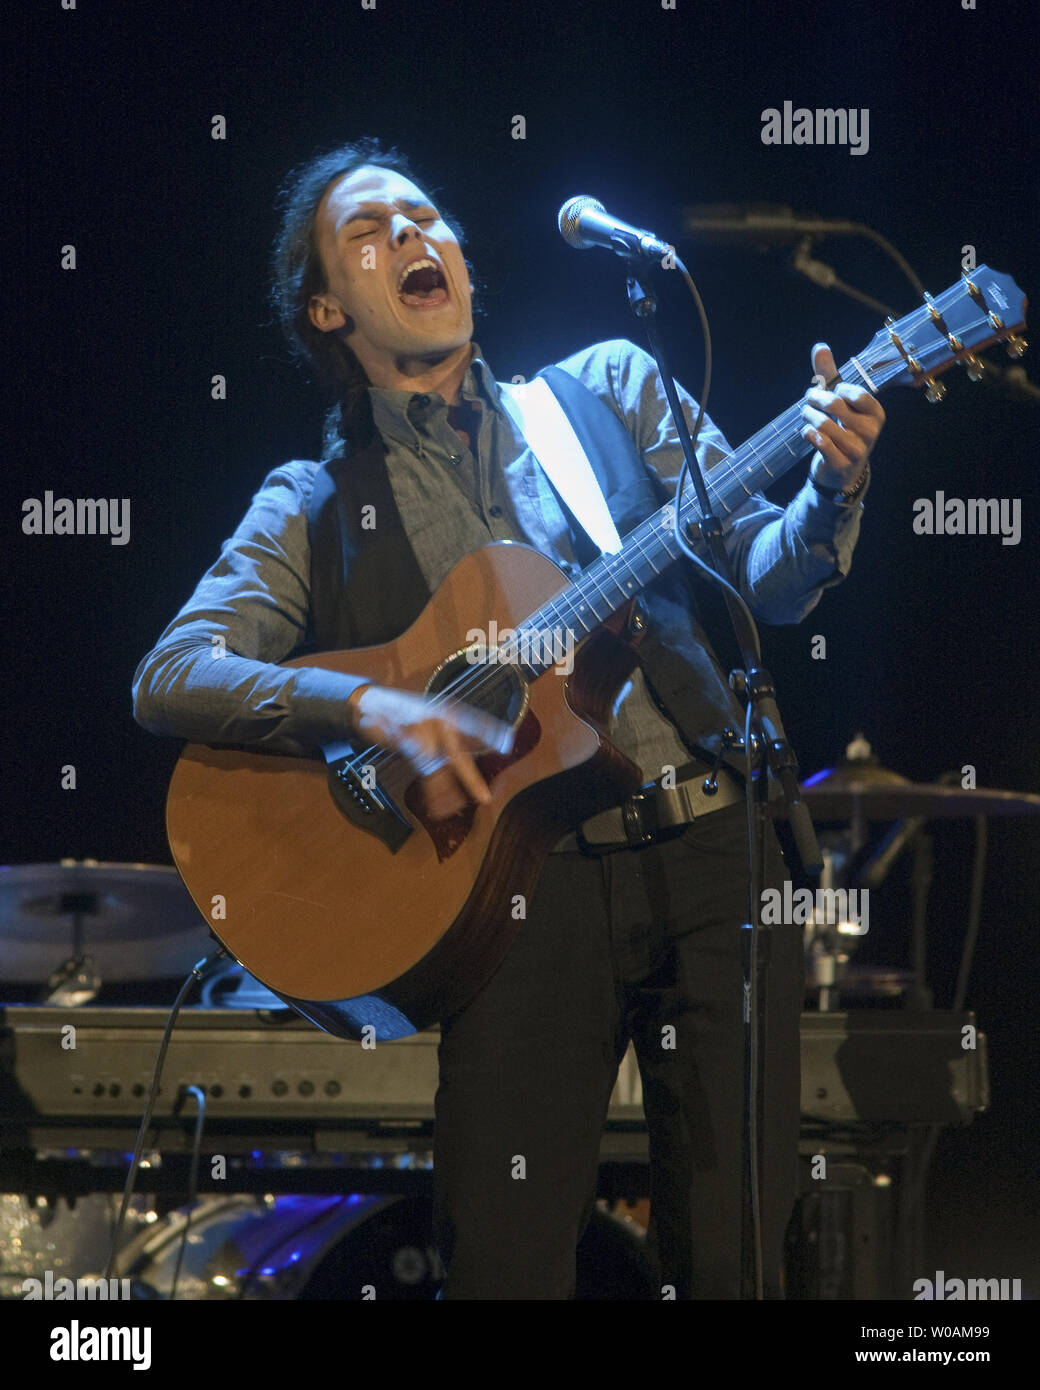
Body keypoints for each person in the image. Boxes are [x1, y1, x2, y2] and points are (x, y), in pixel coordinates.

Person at [132, 137, 885, 1299]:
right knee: (502, 1264)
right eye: (370, 233)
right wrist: (367, 702)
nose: (414, 239)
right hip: (515, 900)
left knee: (735, 1259)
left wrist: (831, 487)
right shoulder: (314, 502)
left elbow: (769, 576)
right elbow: (172, 671)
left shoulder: (609, 388)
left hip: (711, 855)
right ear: (327, 309)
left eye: (426, 217)